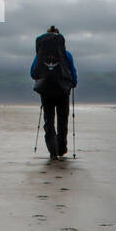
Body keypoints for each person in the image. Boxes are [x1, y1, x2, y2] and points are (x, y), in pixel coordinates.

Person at [30, 25, 77, 158]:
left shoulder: (40, 55)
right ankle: (61, 148)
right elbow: (73, 72)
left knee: (49, 121)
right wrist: (73, 83)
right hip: (62, 91)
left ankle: (53, 150)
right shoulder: (66, 54)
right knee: (63, 121)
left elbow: (33, 72)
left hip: (46, 92)